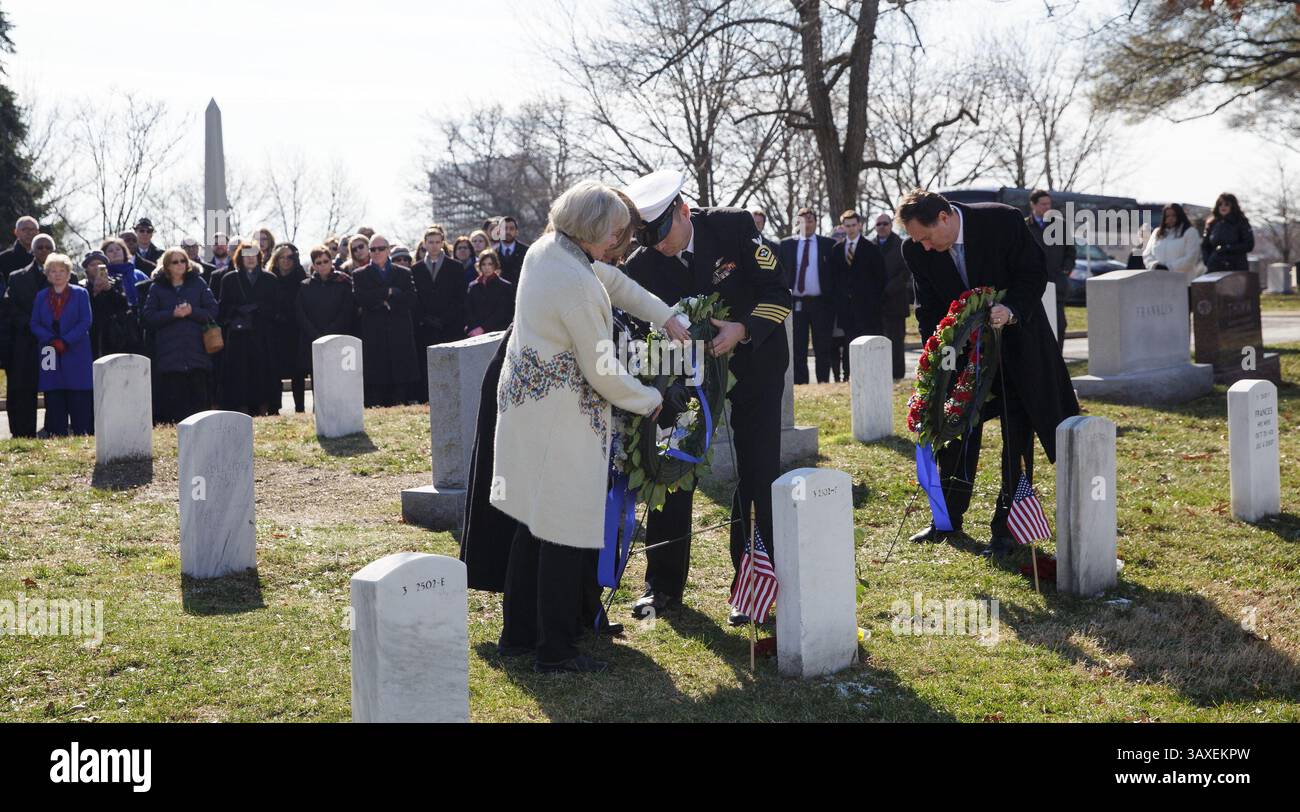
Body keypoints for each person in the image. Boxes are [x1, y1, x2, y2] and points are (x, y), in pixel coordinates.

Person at [492, 179, 689, 673]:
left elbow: (614, 281)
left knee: (532, 524)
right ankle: (556, 649)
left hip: (528, 407)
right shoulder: (575, 285)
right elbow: (602, 369)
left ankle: (518, 634)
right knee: (560, 527)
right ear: (592, 231)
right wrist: (651, 401)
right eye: (616, 235)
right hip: (561, 416)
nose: (621, 245)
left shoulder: (549, 250)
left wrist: (663, 315)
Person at [621, 169, 792, 625]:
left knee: (758, 468)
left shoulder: (733, 227)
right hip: (685, 379)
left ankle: (752, 582)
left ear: (683, 210)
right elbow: (640, 330)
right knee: (672, 467)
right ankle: (662, 585)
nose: (658, 245)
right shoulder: (641, 265)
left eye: (663, 234)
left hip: (754, 360)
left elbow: (779, 291)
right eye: (648, 238)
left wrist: (744, 329)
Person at [897, 188, 1079, 555]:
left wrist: (1010, 309)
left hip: (1018, 343)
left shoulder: (1001, 221)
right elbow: (929, 306)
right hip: (966, 354)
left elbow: (1034, 272)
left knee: (1018, 433)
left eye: (928, 237)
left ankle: (1007, 528)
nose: (925, 247)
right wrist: (940, 356)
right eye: (919, 241)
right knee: (957, 431)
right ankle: (945, 519)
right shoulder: (915, 249)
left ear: (945, 218)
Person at [142, 247, 219, 424]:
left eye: (183, 260)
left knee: (199, 406)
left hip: (197, 352)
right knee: (174, 407)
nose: (180, 265)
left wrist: (192, 311)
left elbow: (213, 309)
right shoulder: (157, 287)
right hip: (169, 356)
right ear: (167, 266)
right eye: (175, 262)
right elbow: (148, 317)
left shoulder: (198, 283)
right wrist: (172, 314)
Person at [30, 253, 94, 436]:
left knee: (79, 396)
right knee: (53, 395)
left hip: (76, 350)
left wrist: (66, 340)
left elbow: (85, 321)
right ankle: (56, 435)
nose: (57, 274)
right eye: (53, 271)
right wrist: (51, 340)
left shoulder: (80, 293)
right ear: (47, 275)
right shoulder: (41, 296)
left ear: (68, 273)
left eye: (61, 270)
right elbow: (34, 323)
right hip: (49, 351)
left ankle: (82, 435)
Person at [352, 234, 419, 407]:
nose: (376, 252)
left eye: (380, 249)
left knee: (400, 372)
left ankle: (401, 401)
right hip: (374, 330)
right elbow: (361, 298)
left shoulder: (403, 273)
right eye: (373, 249)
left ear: (388, 250)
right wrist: (388, 292)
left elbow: (411, 299)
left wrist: (390, 297)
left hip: (398, 328)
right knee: (377, 373)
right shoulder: (360, 274)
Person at [2, 233, 57, 437]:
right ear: (32, 251)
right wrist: (34, 325)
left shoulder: (66, 275)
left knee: (54, 389)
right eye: (39, 247)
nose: (43, 251)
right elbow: (10, 308)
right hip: (25, 344)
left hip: (53, 344)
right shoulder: (17, 277)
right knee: (22, 391)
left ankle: (55, 431)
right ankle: (23, 435)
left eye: (47, 247)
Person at [217, 240, 280, 416]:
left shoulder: (270, 279)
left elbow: (276, 308)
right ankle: (241, 410)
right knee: (240, 374)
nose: (250, 259)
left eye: (254, 255)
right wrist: (239, 310)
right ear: (240, 258)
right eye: (246, 255)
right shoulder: (229, 279)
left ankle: (264, 409)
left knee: (263, 373)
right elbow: (222, 309)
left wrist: (257, 308)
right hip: (239, 336)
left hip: (263, 335)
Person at [779, 207, 836, 385]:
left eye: (810, 220)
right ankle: (800, 381)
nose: (807, 224)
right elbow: (780, 273)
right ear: (798, 223)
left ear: (816, 223)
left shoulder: (828, 244)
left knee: (822, 345)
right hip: (795, 303)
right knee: (797, 345)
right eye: (802, 220)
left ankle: (823, 381)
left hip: (821, 303)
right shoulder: (786, 245)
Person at [411, 226, 467, 402]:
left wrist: (445, 319)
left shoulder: (455, 267)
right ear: (425, 244)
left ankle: (452, 396)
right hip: (426, 327)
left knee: (450, 363)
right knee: (427, 364)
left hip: (450, 325)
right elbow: (415, 298)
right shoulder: (416, 269)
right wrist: (426, 318)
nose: (434, 246)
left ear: (442, 243)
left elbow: (460, 298)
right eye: (430, 242)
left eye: (437, 242)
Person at [831, 209, 887, 381]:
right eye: (847, 226)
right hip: (846, 309)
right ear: (843, 227)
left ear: (860, 225)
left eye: (854, 225)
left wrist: (873, 302)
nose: (851, 229)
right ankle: (849, 375)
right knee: (849, 343)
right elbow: (833, 279)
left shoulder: (871, 248)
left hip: (867, 308)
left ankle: (868, 375)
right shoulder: (837, 249)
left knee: (866, 342)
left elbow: (880, 278)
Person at [1024, 190, 1075, 352]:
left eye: (1049, 203)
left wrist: (1065, 270)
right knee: (1034, 327)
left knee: (1060, 325)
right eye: (1043, 204)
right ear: (1033, 204)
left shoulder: (1060, 225)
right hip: (1032, 286)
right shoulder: (1024, 226)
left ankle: (1058, 360)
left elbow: (1070, 251)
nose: (1047, 207)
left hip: (1056, 283)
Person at [296, 246, 355, 381]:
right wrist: (315, 334)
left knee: (338, 378)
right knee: (317, 379)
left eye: (326, 261)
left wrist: (330, 333)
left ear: (331, 261)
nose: (323, 265)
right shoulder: (305, 286)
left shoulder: (343, 283)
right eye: (319, 262)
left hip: (338, 338)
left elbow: (346, 311)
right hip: (312, 339)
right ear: (314, 266)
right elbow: (300, 313)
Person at [267, 243, 308, 413]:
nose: (285, 261)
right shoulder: (268, 279)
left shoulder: (302, 279)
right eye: (282, 257)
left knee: (297, 371)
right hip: (275, 330)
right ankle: (275, 408)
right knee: (274, 369)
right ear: (276, 260)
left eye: (290, 257)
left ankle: (300, 408)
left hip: (296, 330)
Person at [874, 212, 911, 379]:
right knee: (877, 343)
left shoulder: (900, 244)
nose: (882, 227)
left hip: (895, 303)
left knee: (895, 343)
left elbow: (905, 272)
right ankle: (881, 375)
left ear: (891, 225)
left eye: (885, 223)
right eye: (878, 224)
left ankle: (897, 375)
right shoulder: (870, 245)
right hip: (876, 305)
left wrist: (889, 288)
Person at [81, 251, 137, 359]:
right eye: (92, 265)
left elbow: (124, 305)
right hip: (91, 335)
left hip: (113, 336)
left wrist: (109, 289)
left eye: (100, 265)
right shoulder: (81, 287)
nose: (96, 267)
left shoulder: (116, 283)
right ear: (86, 269)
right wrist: (94, 293)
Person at [1143, 203, 1202, 280]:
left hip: (1183, 282)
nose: (1170, 218)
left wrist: (1168, 267)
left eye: (1173, 215)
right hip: (1158, 280)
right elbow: (1147, 254)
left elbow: (1191, 257)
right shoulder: (1157, 232)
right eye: (1167, 216)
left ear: (1180, 215)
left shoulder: (1190, 232)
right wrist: (1154, 265)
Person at [465, 250, 514, 336]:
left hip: (497, 333)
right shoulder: (473, 286)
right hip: (474, 333)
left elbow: (502, 312)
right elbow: (469, 311)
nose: (486, 267)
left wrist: (483, 328)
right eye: (483, 264)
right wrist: (473, 328)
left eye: (490, 264)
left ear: (495, 265)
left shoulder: (505, 286)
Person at [1201, 192, 1254, 272]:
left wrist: (1228, 248)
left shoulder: (1241, 222)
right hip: (1215, 266)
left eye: (1226, 204)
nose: (1223, 207)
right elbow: (1205, 245)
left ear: (1232, 206)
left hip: (1235, 267)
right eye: (1220, 204)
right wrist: (1207, 260)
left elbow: (1249, 244)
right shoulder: (1212, 223)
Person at [0, 216, 40, 297]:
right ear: (16, 232)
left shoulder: (45, 259)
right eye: (25, 229)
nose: (29, 233)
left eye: (33, 229)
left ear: (38, 232)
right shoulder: (3, 258)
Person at [495, 216, 530, 287]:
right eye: (505, 228)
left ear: (516, 232)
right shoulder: (492, 252)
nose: (508, 232)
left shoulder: (526, 251)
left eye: (511, 229)